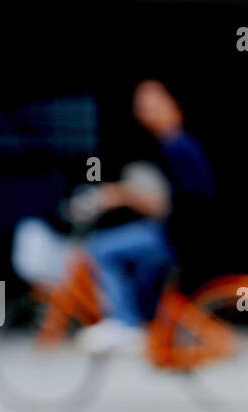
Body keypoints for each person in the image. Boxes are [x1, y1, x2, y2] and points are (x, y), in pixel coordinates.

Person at [76, 80, 215, 355]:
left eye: (152, 107)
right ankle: (144, 321)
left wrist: (123, 195)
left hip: (176, 236)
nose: (146, 114)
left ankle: (124, 322)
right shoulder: (175, 146)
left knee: (101, 248)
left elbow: (167, 204)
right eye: (141, 108)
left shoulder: (177, 148)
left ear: (172, 105)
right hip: (181, 234)